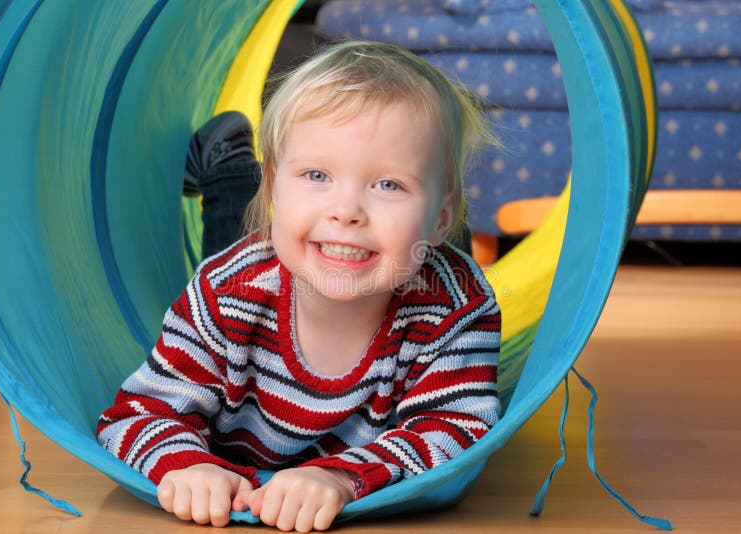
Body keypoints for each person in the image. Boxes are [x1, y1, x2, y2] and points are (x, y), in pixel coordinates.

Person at [97, 40, 502, 532]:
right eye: (317, 174)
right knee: (241, 236)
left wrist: (340, 477)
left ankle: (414, 211)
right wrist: (187, 464)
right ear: (274, 186)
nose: (346, 209)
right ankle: (228, 164)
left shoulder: (456, 308)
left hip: (410, 255)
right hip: (267, 266)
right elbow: (135, 414)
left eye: (387, 184)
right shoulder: (227, 293)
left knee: (415, 251)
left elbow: (458, 428)